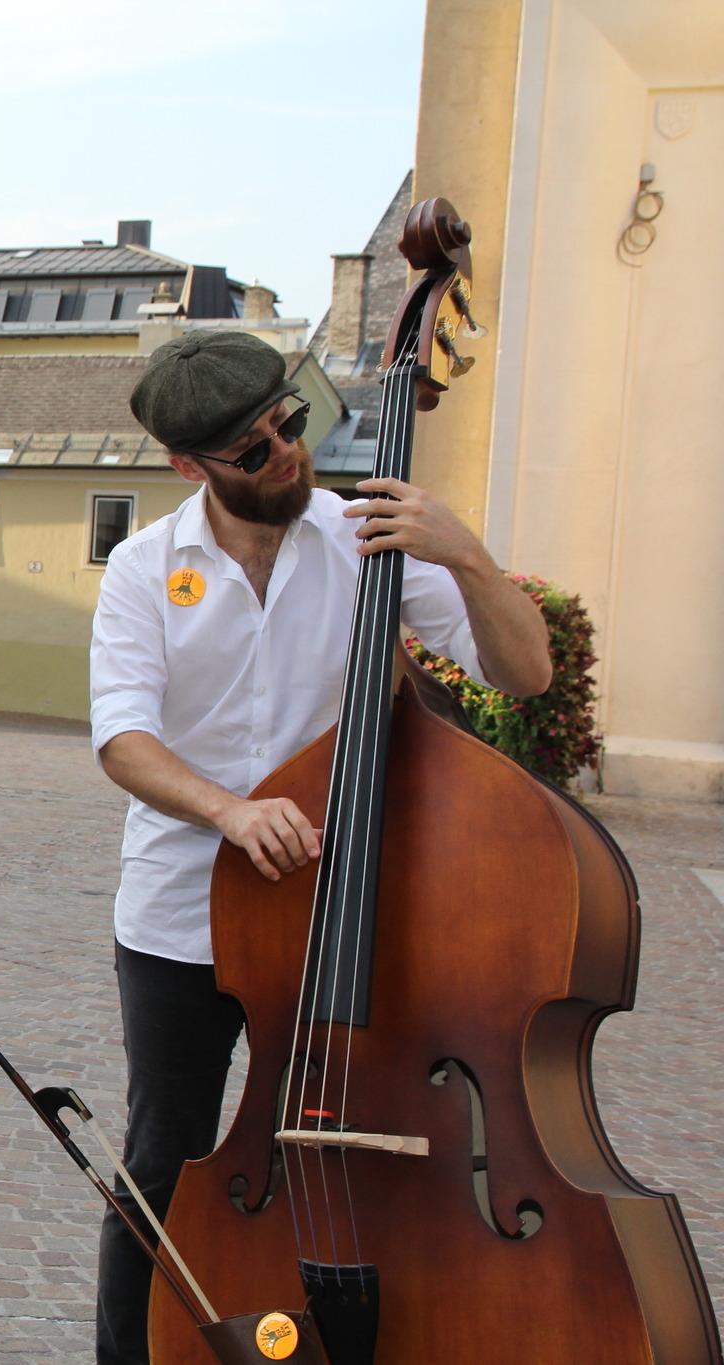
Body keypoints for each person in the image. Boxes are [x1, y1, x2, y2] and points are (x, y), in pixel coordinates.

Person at [85, 331, 553, 1364]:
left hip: (335, 913)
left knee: (337, 1152)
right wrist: (228, 810)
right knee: (165, 1160)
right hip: (181, 914)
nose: (284, 454)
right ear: (187, 466)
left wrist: (462, 551)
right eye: (249, 451)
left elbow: (522, 674)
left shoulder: (361, 538)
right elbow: (122, 737)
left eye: (288, 424)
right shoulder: (141, 568)